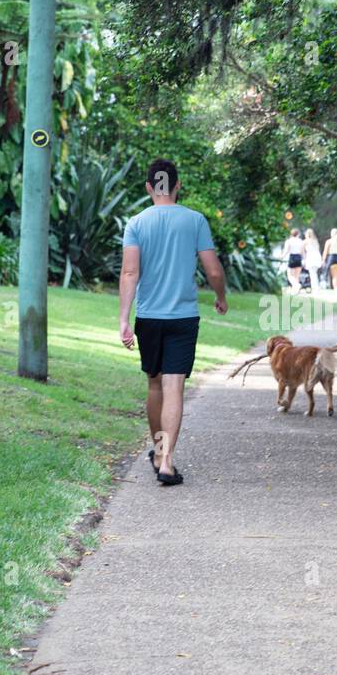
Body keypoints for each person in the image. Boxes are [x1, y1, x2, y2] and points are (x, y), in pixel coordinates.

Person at [119, 159, 228, 486]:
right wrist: (220, 296)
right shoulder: (194, 220)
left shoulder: (136, 223)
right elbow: (213, 271)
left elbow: (129, 272)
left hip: (149, 317)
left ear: (149, 187)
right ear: (177, 185)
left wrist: (124, 319)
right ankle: (166, 462)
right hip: (183, 317)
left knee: (155, 385)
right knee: (174, 385)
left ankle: (158, 450)